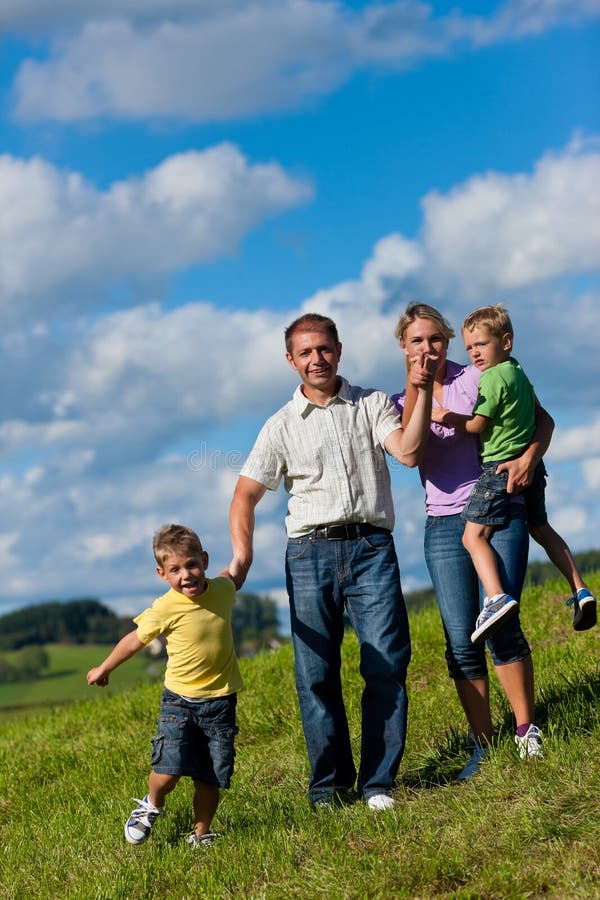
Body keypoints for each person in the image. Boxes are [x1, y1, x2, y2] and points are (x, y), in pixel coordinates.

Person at [224, 312, 434, 810]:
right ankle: (330, 787)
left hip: (370, 550)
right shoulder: (279, 426)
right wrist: (242, 557)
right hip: (307, 553)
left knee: (385, 662)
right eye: (305, 353)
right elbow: (243, 496)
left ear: (339, 349)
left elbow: (406, 453)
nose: (316, 359)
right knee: (315, 673)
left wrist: (420, 390)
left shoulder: (372, 403)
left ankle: (378, 782)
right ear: (291, 360)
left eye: (324, 349)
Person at [393, 302, 554, 778]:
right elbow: (411, 451)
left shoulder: (482, 374)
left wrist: (529, 459)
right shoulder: (399, 401)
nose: (428, 348)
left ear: (448, 341)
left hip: (501, 508)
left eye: (436, 339)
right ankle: (483, 745)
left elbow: (541, 421)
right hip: (443, 524)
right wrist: (420, 391)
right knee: (461, 640)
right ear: (404, 347)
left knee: (503, 623)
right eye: (417, 341)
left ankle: (527, 730)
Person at [432, 304, 596, 644]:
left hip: (499, 468)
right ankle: (580, 589)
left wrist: (445, 415)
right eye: (470, 347)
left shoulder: (492, 378)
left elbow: (477, 424)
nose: (475, 353)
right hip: (534, 469)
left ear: (506, 341)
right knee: (541, 526)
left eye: (482, 344)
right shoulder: (518, 370)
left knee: (472, 537)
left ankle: (495, 596)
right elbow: (539, 415)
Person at [87, 524, 243, 848]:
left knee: (210, 777)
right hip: (179, 703)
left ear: (205, 560)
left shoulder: (223, 591)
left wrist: (245, 538)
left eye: (192, 564)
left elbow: (238, 568)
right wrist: (105, 666)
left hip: (220, 703)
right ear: (162, 574)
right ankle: (152, 805)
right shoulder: (165, 607)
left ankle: (201, 835)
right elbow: (135, 640)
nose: (186, 574)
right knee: (169, 769)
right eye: (175, 569)